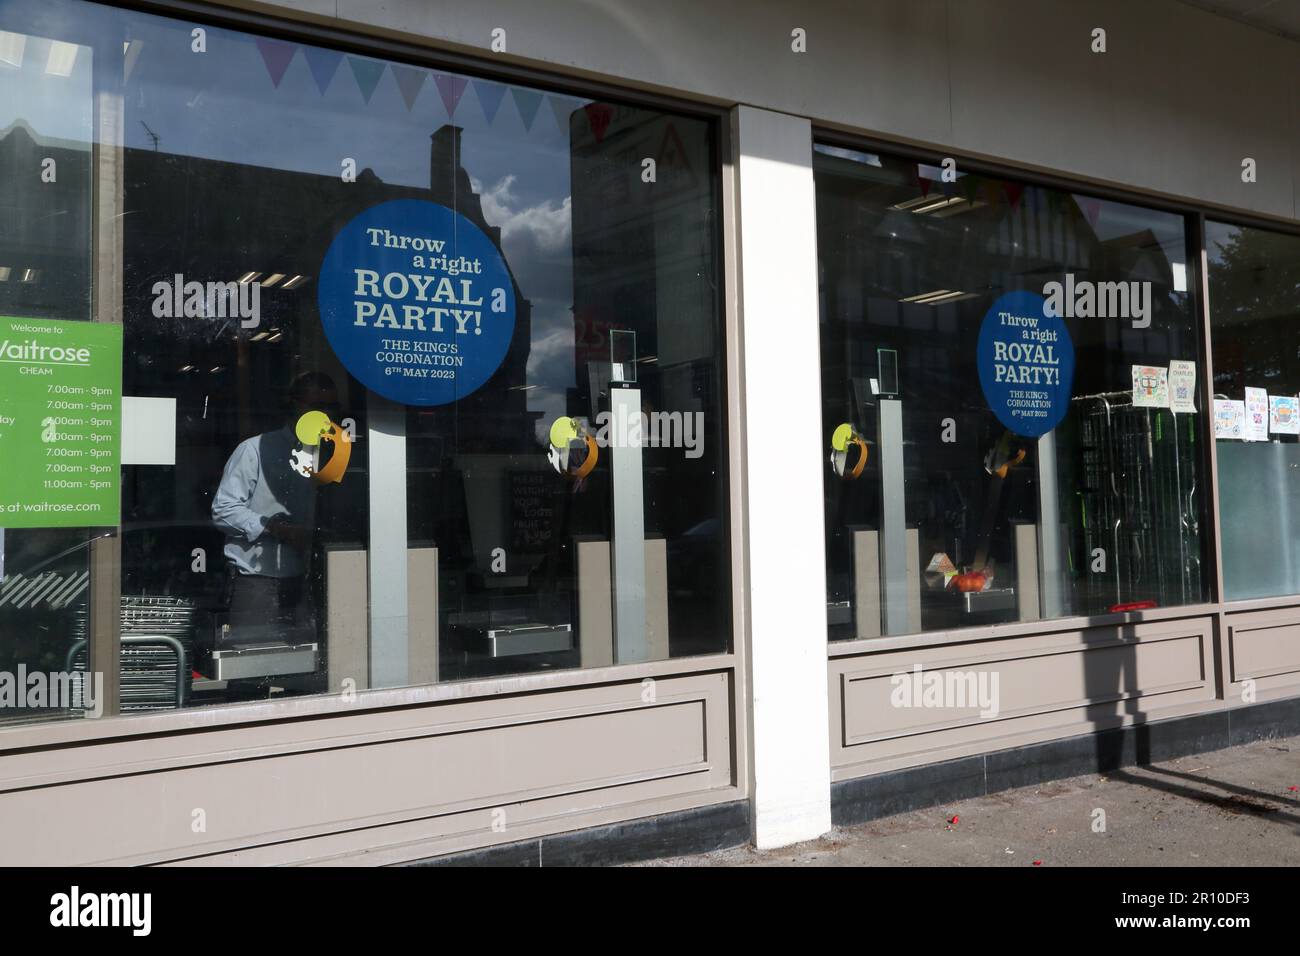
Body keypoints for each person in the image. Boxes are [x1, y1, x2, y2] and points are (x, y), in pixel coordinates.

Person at [211, 372, 340, 646]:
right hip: (258, 580)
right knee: (252, 666)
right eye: (315, 406)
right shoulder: (255, 449)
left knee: (304, 672)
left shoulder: (330, 454)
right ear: (294, 404)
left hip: (310, 579)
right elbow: (223, 509)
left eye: (329, 407)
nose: (323, 415)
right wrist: (274, 527)